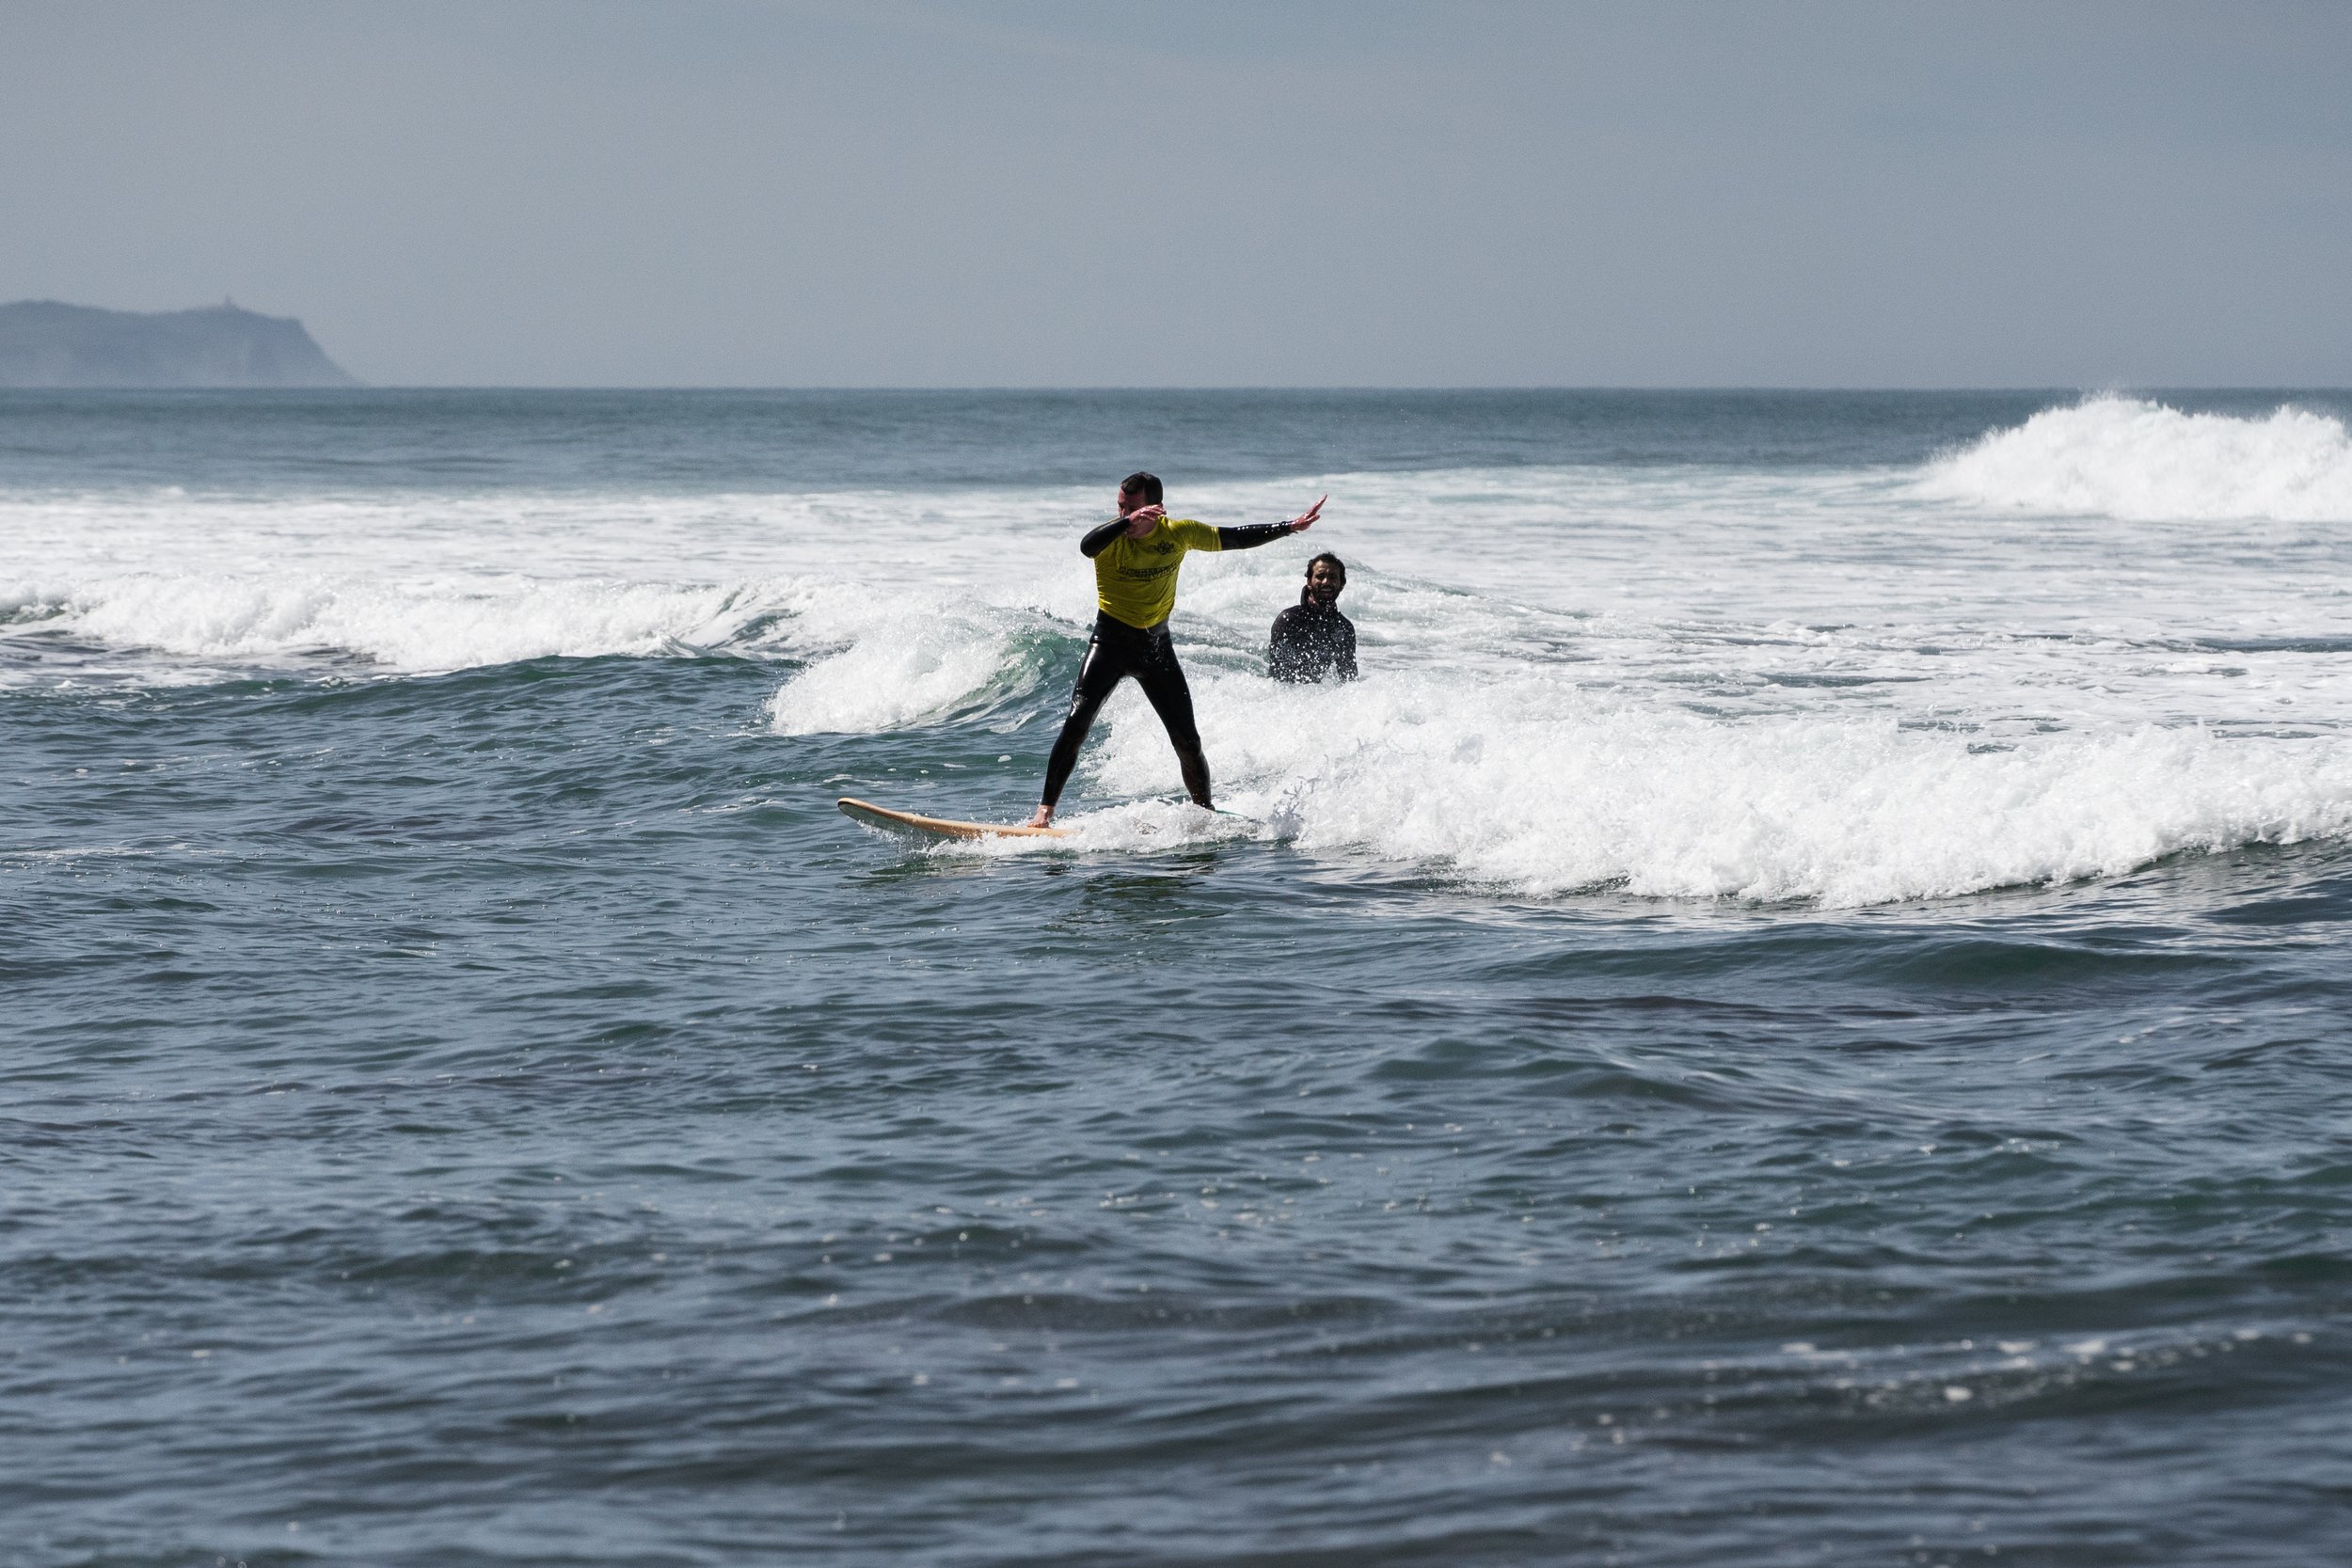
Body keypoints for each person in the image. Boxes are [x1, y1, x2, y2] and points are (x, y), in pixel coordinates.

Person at [1028, 472, 1325, 827]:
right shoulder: (1112, 535)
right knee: (1077, 724)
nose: (1125, 515)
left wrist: (1289, 526)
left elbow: (1235, 537)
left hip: (1156, 649)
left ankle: (1205, 812)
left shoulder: (1178, 533)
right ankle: (1043, 814)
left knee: (1187, 740)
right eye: (1121, 507)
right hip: (1109, 643)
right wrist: (1125, 522)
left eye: (1133, 509)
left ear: (1156, 510)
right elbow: (1086, 546)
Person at [1268, 552, 1358, 683]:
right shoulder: (1288, 620)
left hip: (1316, 700)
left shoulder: (1344, 628)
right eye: (1320, 576)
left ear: (1342, 585)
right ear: (1309, 582)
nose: (1326, 582)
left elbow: (1350, 683)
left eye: (1333, 577)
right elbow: (1276, 680)